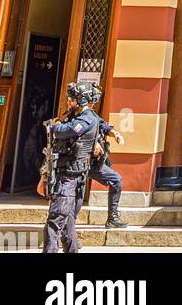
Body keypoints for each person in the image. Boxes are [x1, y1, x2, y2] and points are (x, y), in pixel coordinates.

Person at [42, 83, 99, 254]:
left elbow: (65, 131)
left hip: (70, 178)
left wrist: (53, 126)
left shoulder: (87, 119)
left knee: (55, 221)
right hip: (64, 175)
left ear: (81, 101)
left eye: (72, 100)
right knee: (67, 224)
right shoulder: (74, 117)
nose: (68, 102)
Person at [87, 82, 130, 229]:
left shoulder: (91, 115)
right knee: (116, 180)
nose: (95, 102)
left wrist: (115, 134)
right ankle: (112, 217)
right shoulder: (80, 117)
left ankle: (112, 217)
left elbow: (104, 126)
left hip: (91, 162)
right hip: (82, 162)